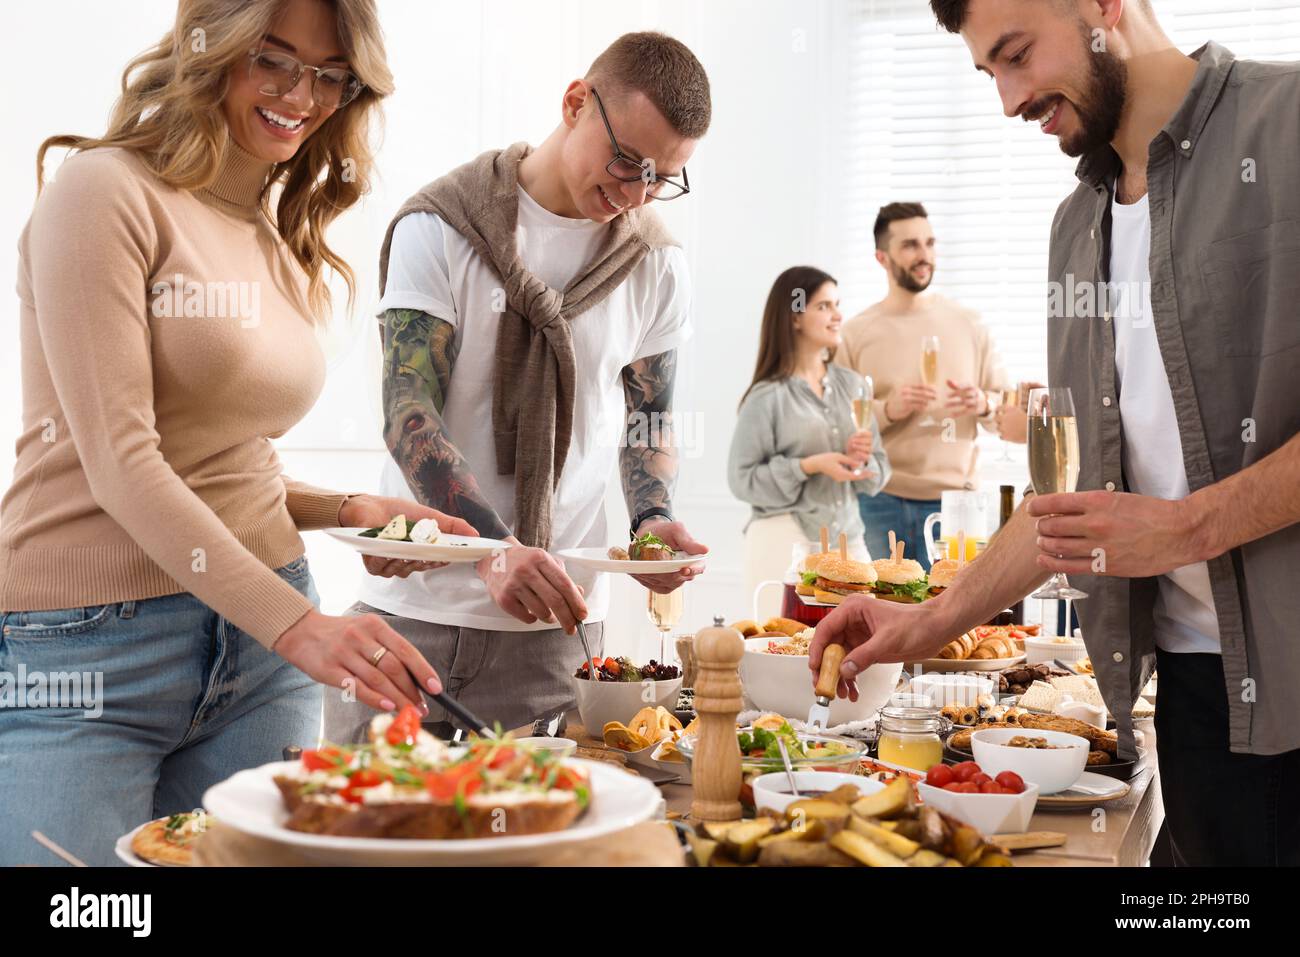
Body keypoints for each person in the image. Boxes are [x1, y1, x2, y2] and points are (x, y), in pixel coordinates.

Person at [814, 0, 1300, 866]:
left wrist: (1189, 525)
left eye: (1016, 54)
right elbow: (1064, 499)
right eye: (988, 73)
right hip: (1191, 700)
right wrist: (926, 623)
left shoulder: (1289, 123)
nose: (1007, 100)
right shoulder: (1076, 230)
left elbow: (1168, 522)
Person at [0, 0, 472, 866]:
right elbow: (120, 458)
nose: (302, 94)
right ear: (209, 44)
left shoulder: (266, 224)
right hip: (90, 655)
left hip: (262, 648)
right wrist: (296, 624)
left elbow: (216, 456)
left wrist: (345, 507)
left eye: (330, 74)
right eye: (274, 58)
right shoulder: (102, 192)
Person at [324, 33, 711, 740]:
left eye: (662, 177)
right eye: (627, 161)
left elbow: (647, 420)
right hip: (415, 616)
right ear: (574, 103)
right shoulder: (439, 226)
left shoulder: (656, 263)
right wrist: (493, 549)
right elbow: (409, 413)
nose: (635, 192)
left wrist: (651, 524)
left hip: (558, 633)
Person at [834, 202, 1007, 565]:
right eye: (910, 245)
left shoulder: (969, 324)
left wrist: (984, 404)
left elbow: (1004, 409)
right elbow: (836, 426)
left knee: (957, 615)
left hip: (957, 504)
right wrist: (887, 410)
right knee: (893, 612)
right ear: (882, 257)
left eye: (930, 243)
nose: (924, 255)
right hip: (881, 500)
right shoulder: (854, 334)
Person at [728, 266, 890, 620]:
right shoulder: (767, 396)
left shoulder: (854, 387)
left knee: (859, 649)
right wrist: (810, 465)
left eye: (837, 305)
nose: (837, 316)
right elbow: (741, 479)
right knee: (781, 650)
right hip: (782, 540)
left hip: (849, 541)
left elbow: (880, 467)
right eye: (824, 306)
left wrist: (862, 465)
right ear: (795, 318)